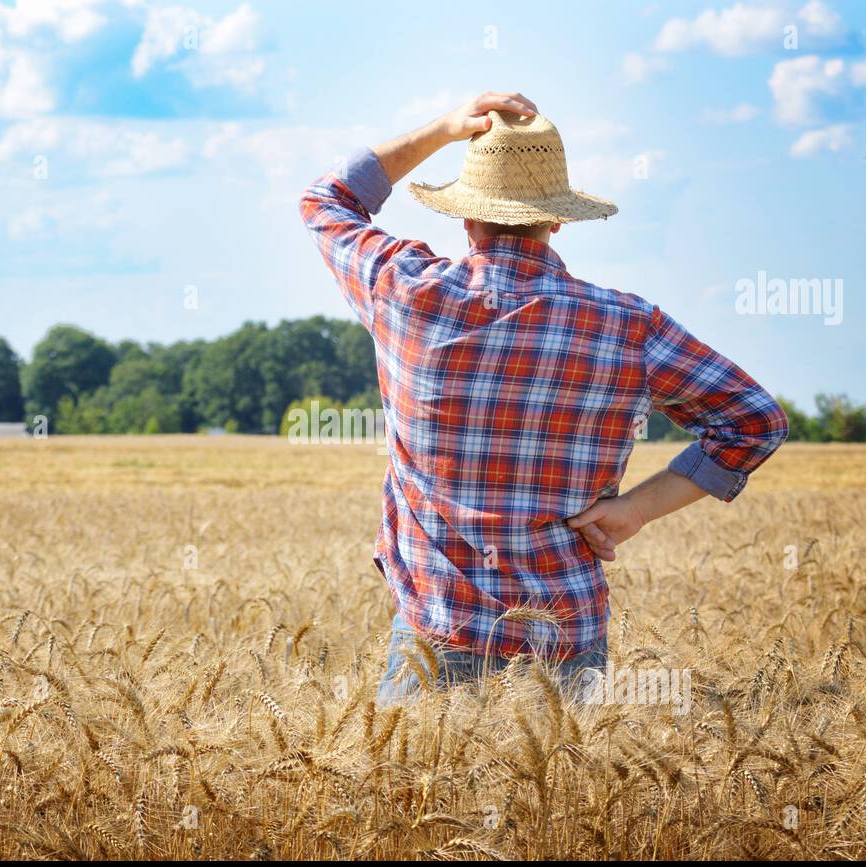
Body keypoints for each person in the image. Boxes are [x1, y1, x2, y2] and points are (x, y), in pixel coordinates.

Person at [299, 92, 788, 705]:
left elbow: (327, 199)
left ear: (464, 215)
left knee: (411, 799)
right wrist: (635, 510)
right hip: (566, 634)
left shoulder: (405, 293)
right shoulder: (629, 326)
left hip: (436, 630)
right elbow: (754, 422)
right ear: (557, 219)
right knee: (565, 801)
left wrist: (446, 129)